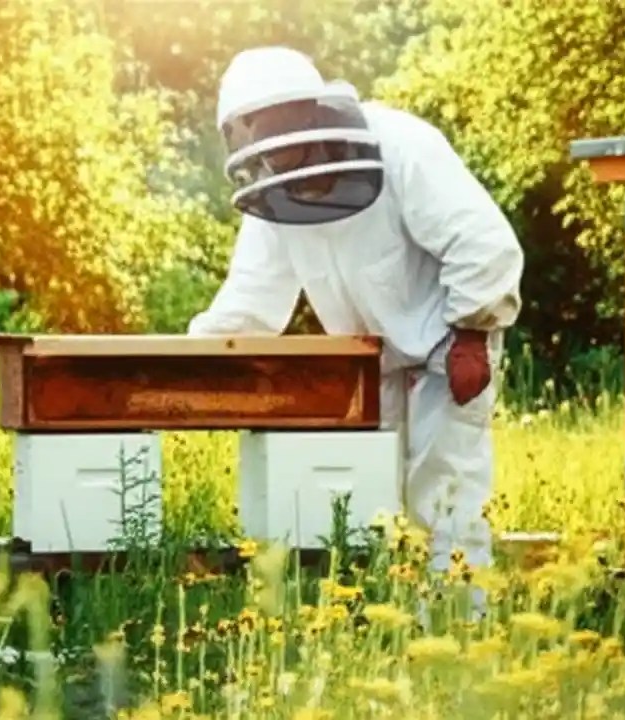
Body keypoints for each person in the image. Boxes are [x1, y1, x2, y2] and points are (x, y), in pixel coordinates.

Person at [187, 46, 524, 615]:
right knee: (376, 502)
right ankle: (398, 629)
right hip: (372, 359)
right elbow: (252, 298)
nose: (280, 149)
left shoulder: (402, 145)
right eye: (263, 132)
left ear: (314, 111)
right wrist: (192, 358)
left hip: (449, 344)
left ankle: (461, 631)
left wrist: (473, 329)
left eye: (286, 130)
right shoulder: (272, 186)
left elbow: (482, 244)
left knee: (445, 495)